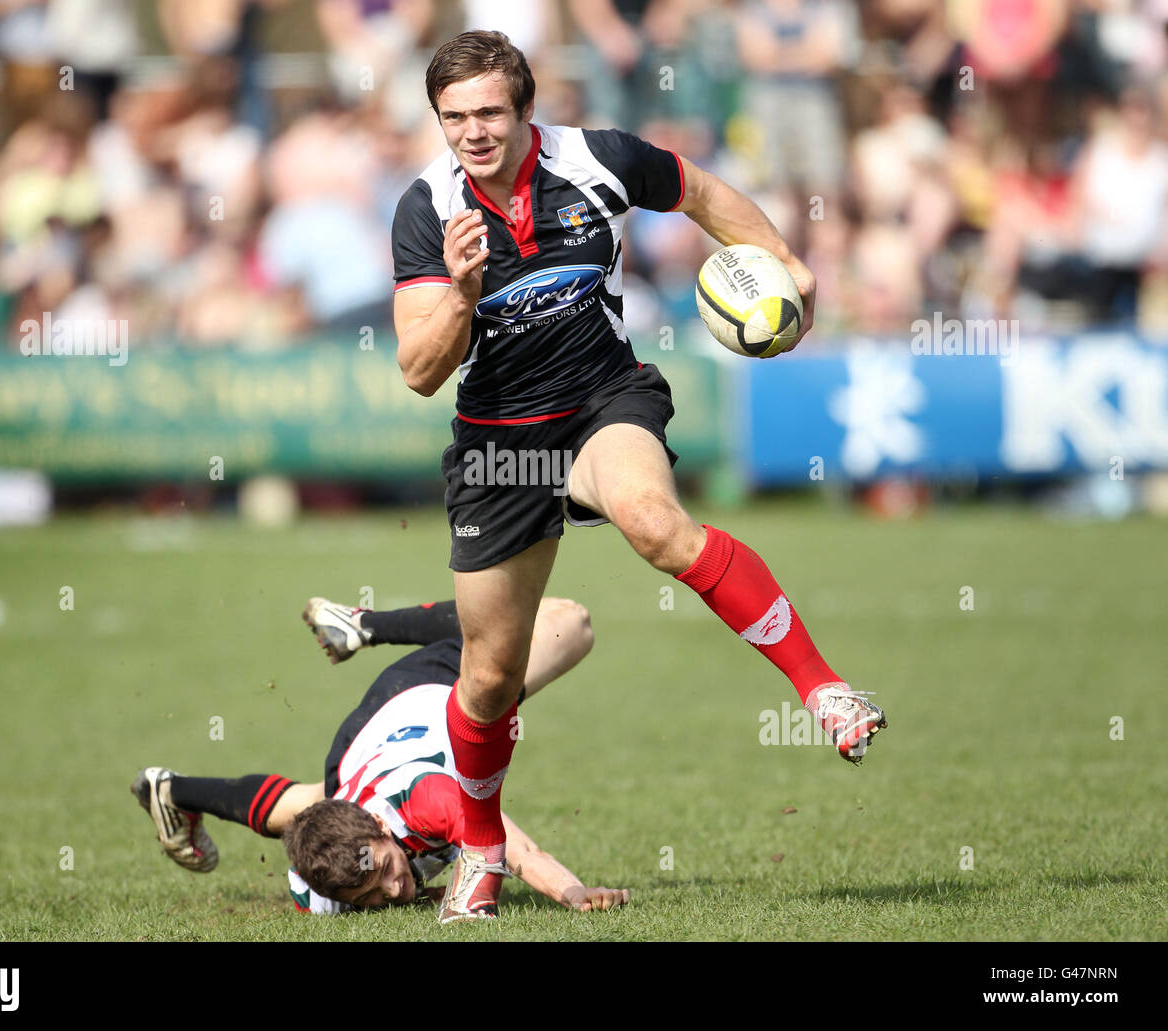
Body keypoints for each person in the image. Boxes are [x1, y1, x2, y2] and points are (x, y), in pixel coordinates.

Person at [390, 29, 888, 922]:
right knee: (490, 678)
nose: (472, 131)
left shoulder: (597, 160)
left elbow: (701, 193)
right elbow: (421, 371)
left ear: (525, 109)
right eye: (454, 116)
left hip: (601, 401)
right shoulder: (427, 209)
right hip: (500, 445)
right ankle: (480, 847)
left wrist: (787, 260)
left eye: (489, 112)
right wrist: (461, 293)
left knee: (654, 521)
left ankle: (824, 687)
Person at [130, 594, 630, 917]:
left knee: (566, 624)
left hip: (423, 691)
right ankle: (170, 789)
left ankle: (365, 625)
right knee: (312, 810)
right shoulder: (319, 886)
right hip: (355, 759)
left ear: (384, 831)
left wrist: (574, 893)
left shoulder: (428, 799)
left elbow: (511, 849)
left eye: (386, 872)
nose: (392, 892)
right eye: (369, 898)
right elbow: (316, 846)